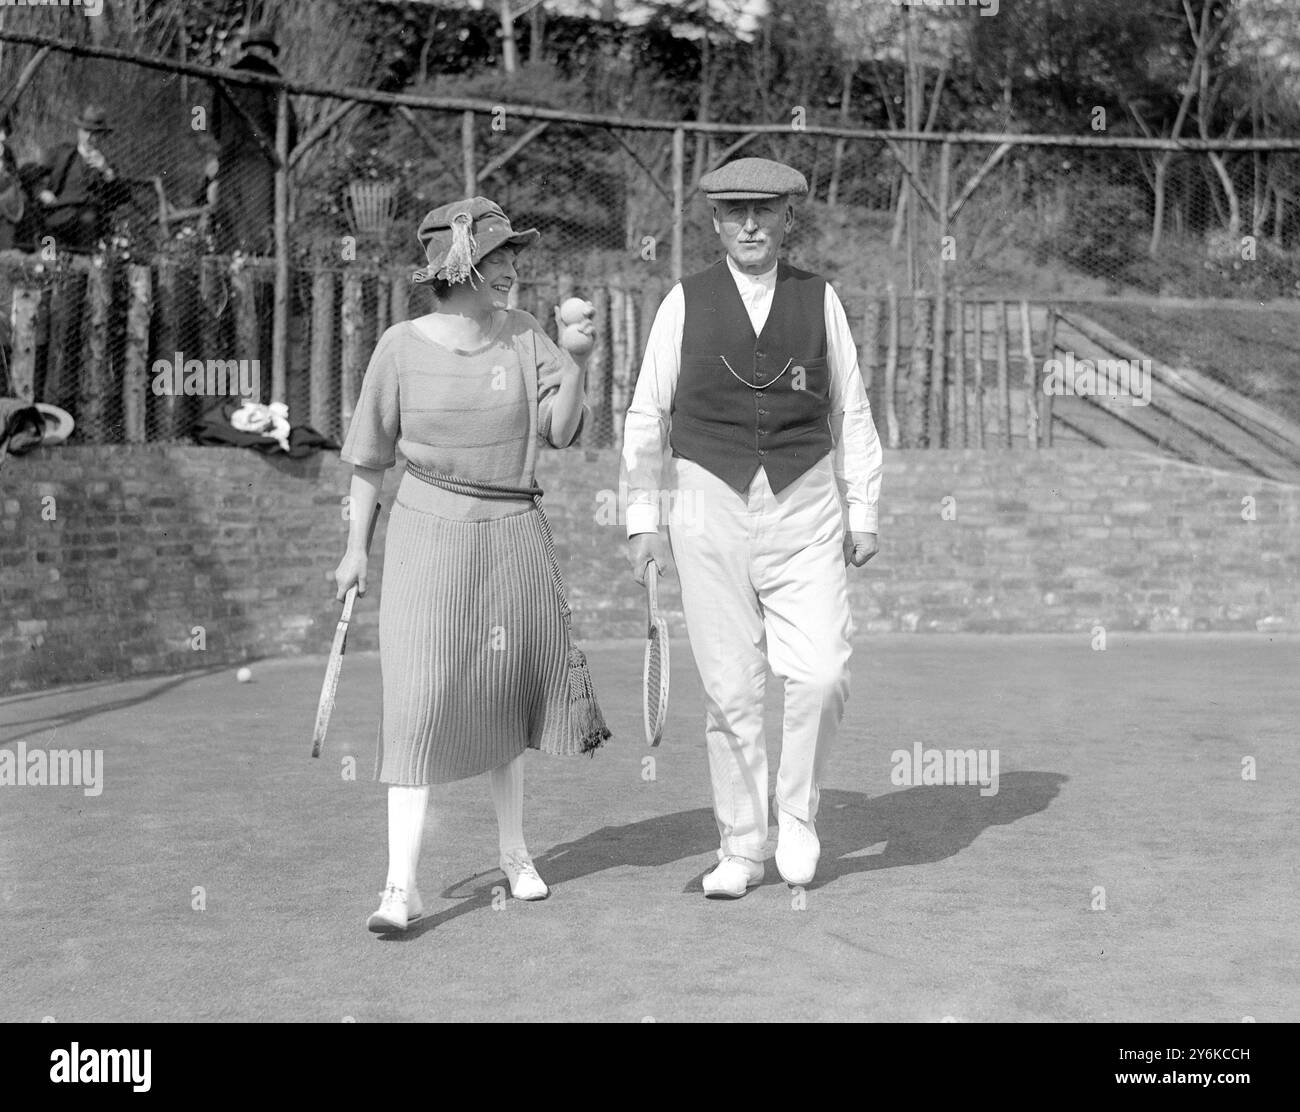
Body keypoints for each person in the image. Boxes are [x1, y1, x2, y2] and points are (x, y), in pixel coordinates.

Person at [335, 196, 608, 934]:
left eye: (514, 254)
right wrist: (356, 549)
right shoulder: (398, 347)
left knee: (502, 697)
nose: (515, 269)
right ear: (460, 266)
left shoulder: (524, 336)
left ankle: (515, 853)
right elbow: (368, 459)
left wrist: (576, 361)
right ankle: (401, 887)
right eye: (501, 257)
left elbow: (559, 431)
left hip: (511, 533)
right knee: (417, 702)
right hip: (427, 534)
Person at [621, 157, 884, 898]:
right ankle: (741, 845)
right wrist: (644, 519)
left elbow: (852, 412)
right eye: (734, 212)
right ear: (712, 221)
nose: (749, 224)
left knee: (823, 673)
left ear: (786, 219)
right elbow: (648, 415)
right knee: (731, 692)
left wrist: (862, 509)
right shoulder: (683, 302)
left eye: (764, 211)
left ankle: (796, 815)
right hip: (707, 504)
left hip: (804, 504)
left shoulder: (820, 299)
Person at [211, 25, 296, 255]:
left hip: (229, 161)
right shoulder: (274, 81)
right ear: (268, 51)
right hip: (260, 161)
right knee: (259, 227)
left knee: (230, 225)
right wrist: (280, 154)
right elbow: (288, 125)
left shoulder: (225, 79)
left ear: (246, 50)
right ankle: (260, 286)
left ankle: (229, 283)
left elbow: (214, 125)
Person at [31, 105, 128, 253]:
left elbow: (123, 196)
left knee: (89, 218)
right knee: (49, 259)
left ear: (102, 135)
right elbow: (29, 173)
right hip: (57, 215)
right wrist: (41, 191)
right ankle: (50, 270)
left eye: (94, 133)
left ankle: (86, 266)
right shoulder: (62, 153)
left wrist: (106, 171)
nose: (88, 137)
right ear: (79, 131)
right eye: (85, 131)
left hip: (89, 222)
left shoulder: (107, 162)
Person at [0, 110, 28, 251]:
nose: (2, 137)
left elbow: (14, 175)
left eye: (3, 133)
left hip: (6, 202)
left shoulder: (7, 152)